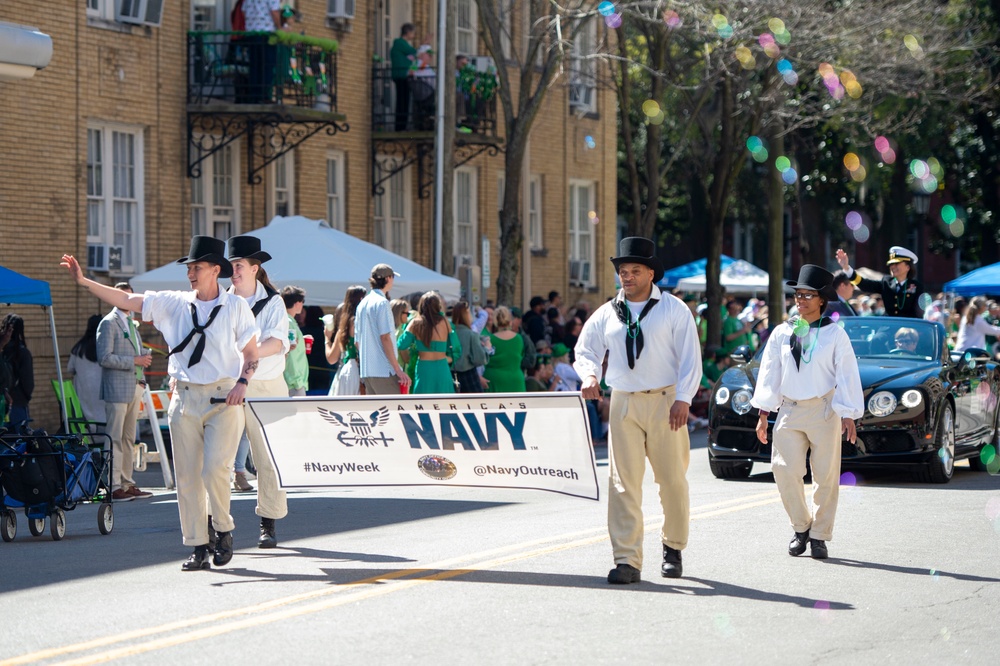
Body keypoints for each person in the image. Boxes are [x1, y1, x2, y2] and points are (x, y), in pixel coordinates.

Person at [61, 236, 258, 572]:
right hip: (185, 398)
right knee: (188, 477)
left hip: (224, 397)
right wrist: (84, 281)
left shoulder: (236, 307)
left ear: (215, 270)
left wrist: (242, 383)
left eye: (197, 268)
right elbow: (128, 299)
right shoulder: (175, 303)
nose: (190, 274)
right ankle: (198, 544)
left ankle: (222, 528)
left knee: (215, 469)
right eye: (189, 268)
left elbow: (251, 354)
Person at [574, 237, 703, 584]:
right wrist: (590, 375)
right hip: (624, 402)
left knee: (672, 481)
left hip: (666, 401)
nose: (627, 277)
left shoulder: (674, 309)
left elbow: (690, 358)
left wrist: (684, 398)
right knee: (622, 484)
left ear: (650, 274)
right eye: (622, 271)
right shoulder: (607, 312)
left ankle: (673, 547)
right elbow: (586, 349)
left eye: (634, 271)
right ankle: (627, 559)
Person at [750, 265, 864, 561]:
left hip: (824, 409)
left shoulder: (835, 334)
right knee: (783, 469)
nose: (800, 299)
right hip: (789, 409)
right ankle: (801, 527)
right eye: (798, 294)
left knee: (825, 477)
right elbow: (770, 372)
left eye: (807, 295)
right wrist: (763, 412)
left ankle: (819, 536)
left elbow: (847, 374)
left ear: (822, 300)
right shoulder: (782, 332)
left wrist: (848, 414)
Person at [225, 235, 291, 546]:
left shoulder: (274, 301)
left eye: (239, 265)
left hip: (266, 385)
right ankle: (217, 525)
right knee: (218, 458)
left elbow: (276, 343)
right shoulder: (221, 301)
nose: (234, 271)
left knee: (267, 457)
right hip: (228, 383)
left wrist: (245, 353)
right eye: (231, 266)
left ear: (255, 268)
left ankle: (269, 522)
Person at [96, 286, 154, 502]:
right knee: (114, 437)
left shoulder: (131, 323)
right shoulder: (108, 323)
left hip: (135, 385)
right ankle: (113, 485)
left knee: (129, 438)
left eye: (129, 296)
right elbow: (104, 358)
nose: (127, 300)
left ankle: (127, 483)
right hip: (117, 388)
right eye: (123, 296)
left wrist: (142, 358)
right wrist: (134, 361)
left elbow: (133, 352)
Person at [355, 263, 411, 395]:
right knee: (394, 407)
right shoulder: (382, 303)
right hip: (384, 371)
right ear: (388, 278)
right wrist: (397, 369)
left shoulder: (362, 304)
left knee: (377, 409)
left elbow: (357, 342)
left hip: (367, 371)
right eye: (392, 277)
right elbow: (385, 337)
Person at [835, 246, 924, 317]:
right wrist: (846, 268)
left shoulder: (917, 287)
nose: (892, 267)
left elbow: (919, 314)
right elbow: (864, 284)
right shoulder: (886, 282)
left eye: (896, 264)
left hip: (909, 329)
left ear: (908, 267)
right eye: (891, 264)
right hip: (888, 328)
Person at [398, 292, 460, 394]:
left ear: (421, 306)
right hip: (442, 367)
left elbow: (402, 344)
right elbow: (456, 347)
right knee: (444, 401)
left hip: (424, 368)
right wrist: (449, 359)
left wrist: (410, 330)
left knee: (424, 401)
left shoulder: (416, 323)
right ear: (438, 306)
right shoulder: (445, 322)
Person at [241, 0, 285, 103]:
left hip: (251, 33)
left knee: (254, 66)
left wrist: (252, 22)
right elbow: (274, 12)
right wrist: (279, 28)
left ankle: (254, 96)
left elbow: (243, 12)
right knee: (267, 65)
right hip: (266, 33)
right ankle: (263, 95)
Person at [327, 286, 367, 395]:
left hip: (346, 371)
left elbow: (331, 358)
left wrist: (327, 339)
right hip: (356, 370)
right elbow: (359, 346)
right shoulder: (356, 322)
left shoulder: (344, 325)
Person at [68, 314, 107, 427]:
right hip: (102, 392)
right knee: (103, 420)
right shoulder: (105, 347)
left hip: (83, 392)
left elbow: (70, 368)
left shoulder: (78, 348)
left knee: (87, 421)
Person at [0, 314, 33, 428]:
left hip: (3, 402)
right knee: (19, 437)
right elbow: (28, 384)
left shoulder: (3, 350)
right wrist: (25, 398)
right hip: (18, 404)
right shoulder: (23, 353)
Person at [483, 306, 526, 392]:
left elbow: (484, 359)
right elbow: (521, 356)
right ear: (510, 321)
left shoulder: (490, 339)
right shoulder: (519, 339)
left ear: (495, 321)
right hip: (515, 379)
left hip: (494, 379)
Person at [452, 301, 488, 393]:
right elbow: (479, 359)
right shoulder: (471, 335)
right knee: (475, 401)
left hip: (450, 374)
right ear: (466, 315)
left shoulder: (449, 333)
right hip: (469, 375)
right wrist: (486, 348)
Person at [281, 286, 309, 396]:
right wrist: (297, 381)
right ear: (297, 303)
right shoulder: (289, 322)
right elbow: (290, 353)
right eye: (303, 301)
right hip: (294, 381)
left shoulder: (288, 320)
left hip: (293, 381)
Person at [390, 23, 417, 131]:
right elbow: (414, 52)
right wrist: (424, 45)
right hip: (401, 75)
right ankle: (400, 126)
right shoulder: (399, 43)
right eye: (413, 33)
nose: (414, 36)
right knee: (402, 102)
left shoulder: (402, 45)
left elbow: (413, 58)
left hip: (405, 75)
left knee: (405, 102)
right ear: (408, 32)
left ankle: (402, 126)